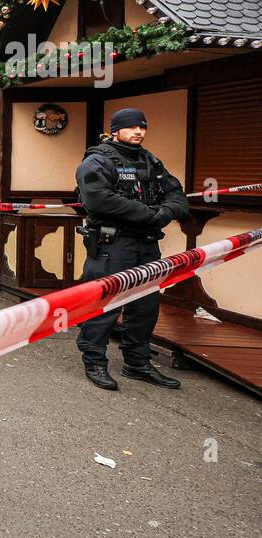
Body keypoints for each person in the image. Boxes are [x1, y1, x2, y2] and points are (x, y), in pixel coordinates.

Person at [75, 107, 189, 390]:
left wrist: (164, 213)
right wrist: (150, 214)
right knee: (104, 302)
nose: (139, 131)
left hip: (147, 243)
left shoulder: (150, 160)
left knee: (145, 305)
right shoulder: (97, 161)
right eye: (131, 127)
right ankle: (94, 361)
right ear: (115, 130)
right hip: (113, 244)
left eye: (143, 127)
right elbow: (100, 200)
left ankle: (137, 363)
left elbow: (177, 195)